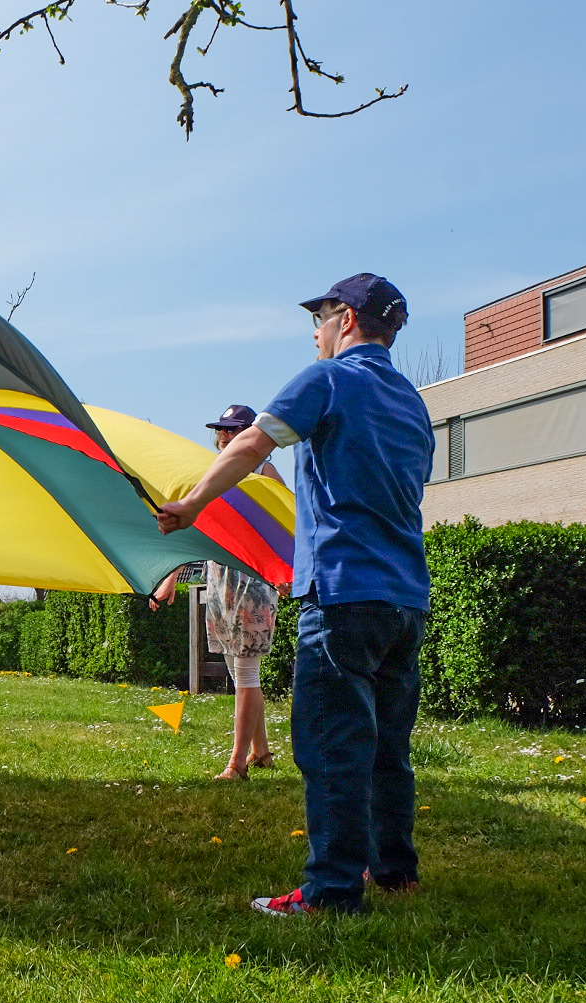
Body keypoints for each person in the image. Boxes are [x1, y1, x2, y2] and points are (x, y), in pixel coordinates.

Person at [158, 274, 432, 917]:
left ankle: (332, 891)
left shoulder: (327, 380)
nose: (315, 333)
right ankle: (396, 872)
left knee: (332, 746)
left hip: (342, 592)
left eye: (320, 318)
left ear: (347, 319)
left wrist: (193, 504)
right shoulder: (412, 402)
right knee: (388, 745)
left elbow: (253, 443)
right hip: (406, 598)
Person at [154, 404, 286, 781]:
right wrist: (171, 577)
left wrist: (285, 570)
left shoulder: (265, 473)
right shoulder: (212, 475)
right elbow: (199, 530)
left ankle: (237, 764)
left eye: (233, 430)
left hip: (253, 581)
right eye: (221, 431)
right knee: (238, 670)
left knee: (246, 673)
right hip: (219, 579)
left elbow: (286, 524)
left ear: (250, 434)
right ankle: (261, 752)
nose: (224, 436)